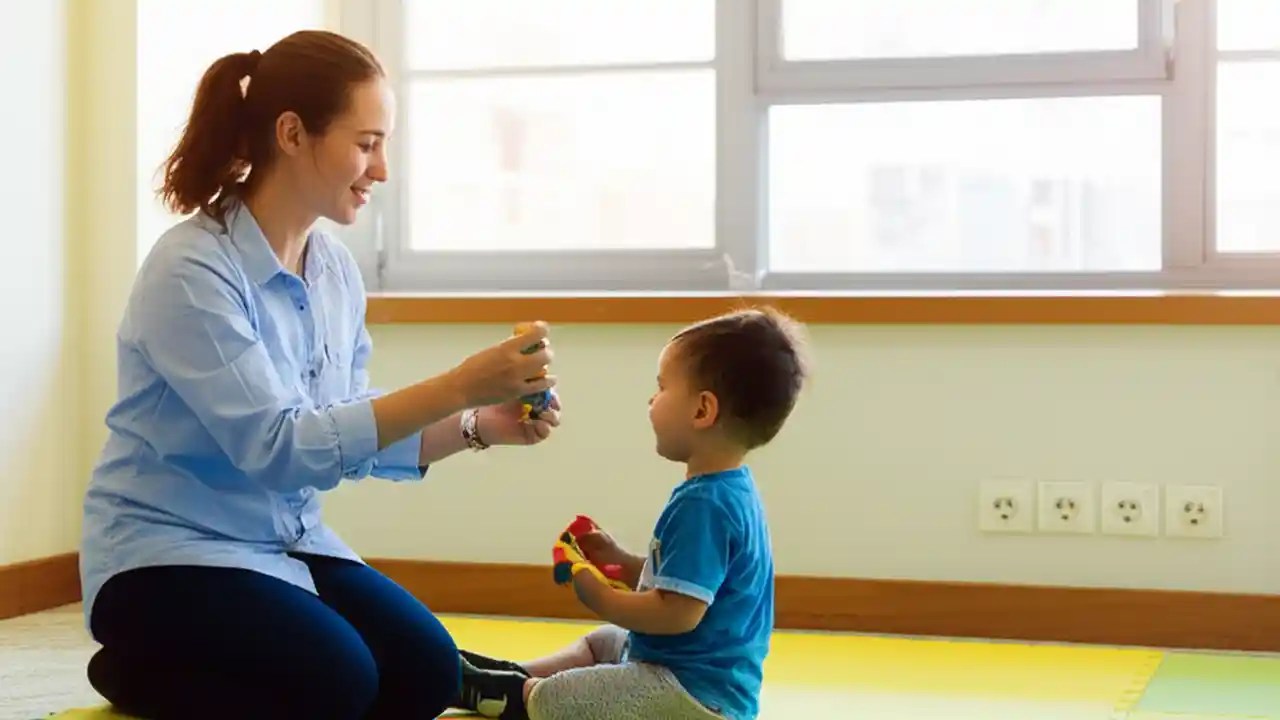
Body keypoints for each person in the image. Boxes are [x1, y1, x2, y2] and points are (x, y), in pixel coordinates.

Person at [78, 30, 561, 720]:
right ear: (292, 134)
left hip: (284, 542)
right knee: (337, 681)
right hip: (163, 553)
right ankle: (130, 666)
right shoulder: (191, 271)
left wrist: (481, 425)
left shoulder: (332, 268)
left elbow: (346, 419)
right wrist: (459, 383)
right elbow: (282, 447)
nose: (382, 169)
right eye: (367, 144)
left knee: (424, 675)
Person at [453, 308, 810, 720]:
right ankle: (517, 675)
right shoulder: (729, 489)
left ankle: (513, 693)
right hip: (690, 676)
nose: (651, 400)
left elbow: (676, 613)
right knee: (604, 644)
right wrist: (620, 562)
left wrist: (598, 593)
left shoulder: (705, 504)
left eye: (661, 388)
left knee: (571, 698)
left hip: (692, 696)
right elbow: (689, 582)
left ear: (702, 411)